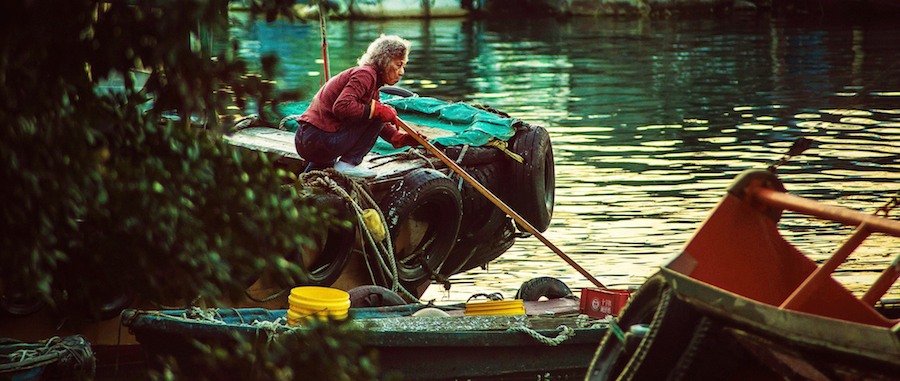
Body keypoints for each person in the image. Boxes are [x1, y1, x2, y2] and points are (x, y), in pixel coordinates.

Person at [295, 34, 425, 178]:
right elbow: (342, 106)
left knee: (375, 112)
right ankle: (348, 164)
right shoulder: (365, 74)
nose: (402, 72)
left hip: (308, 140)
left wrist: (399, 138)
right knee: (377, 112)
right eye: (398, 65)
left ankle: (305, 185)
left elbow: (372, 120)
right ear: (384, 61)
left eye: (403, 66)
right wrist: (379, 110)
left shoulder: (370, 81)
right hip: (319, 139)